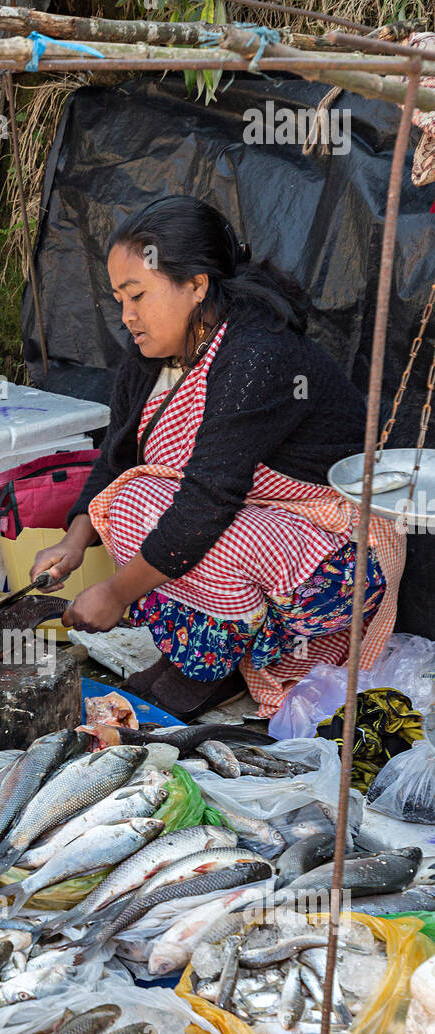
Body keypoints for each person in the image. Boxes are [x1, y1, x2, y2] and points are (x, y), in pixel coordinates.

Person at [31, 195, 405, 721]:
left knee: (157, 509)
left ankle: (213, 663)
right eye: (118, 299)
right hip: (266, 530)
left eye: (137, 296)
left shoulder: (256, 356)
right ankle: (208, 658)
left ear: (196, 286)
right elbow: (115, 456)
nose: (126, 316)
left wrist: (115, 593)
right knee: (130, 498)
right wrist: (73, 543)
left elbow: (207, 500)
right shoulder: (154, 357)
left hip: (340, 557)